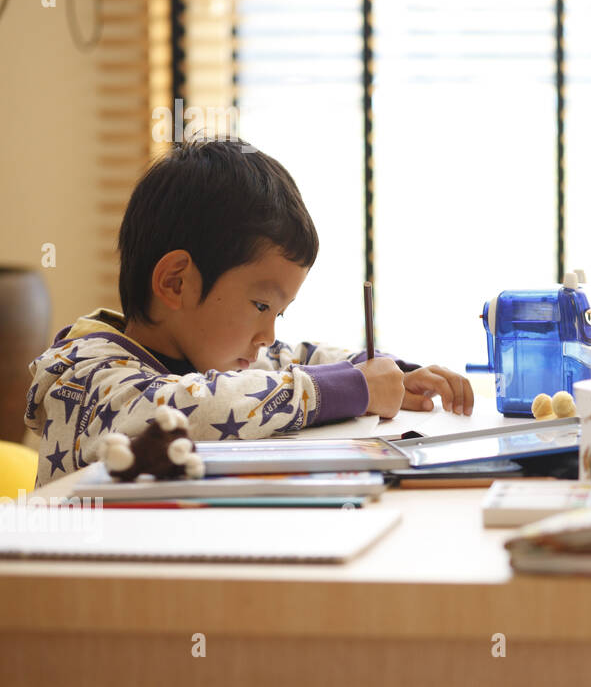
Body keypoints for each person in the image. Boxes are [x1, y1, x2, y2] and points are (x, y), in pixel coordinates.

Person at [24, 137, 473, 487]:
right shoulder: (85, 378)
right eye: (261, 306)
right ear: (176, 282)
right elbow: (194, 407)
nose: (267, 335)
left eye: (279, 313)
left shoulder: (218, 356)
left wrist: (386, 372)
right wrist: (351, 388)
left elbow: (297, 357)